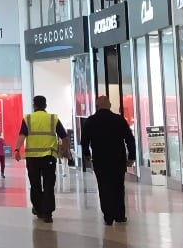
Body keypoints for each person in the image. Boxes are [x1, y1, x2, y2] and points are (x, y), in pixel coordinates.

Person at [15, 95, 70, 223]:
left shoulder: (27, 118)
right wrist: (65, 150)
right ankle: (48, 214)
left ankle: (39, 210)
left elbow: (22, 135)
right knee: (49, 185)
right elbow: (65, 137)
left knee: (35, 185)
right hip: (49, 157)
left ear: (34, 105)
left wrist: (17, 150)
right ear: (45, 105)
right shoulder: (53, 118)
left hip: (32, 158)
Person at [83, 95, 137, 225]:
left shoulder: (91, 121)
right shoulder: (119, 120)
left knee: (104, 186)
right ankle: (119, 215)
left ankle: (108, 216)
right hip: (117, 159)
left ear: (97, 106)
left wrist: (87, 155)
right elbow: (130, 139)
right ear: (109, 105)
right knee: (118, 186)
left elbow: (84, 140)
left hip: (100, 159)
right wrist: (131, 157)